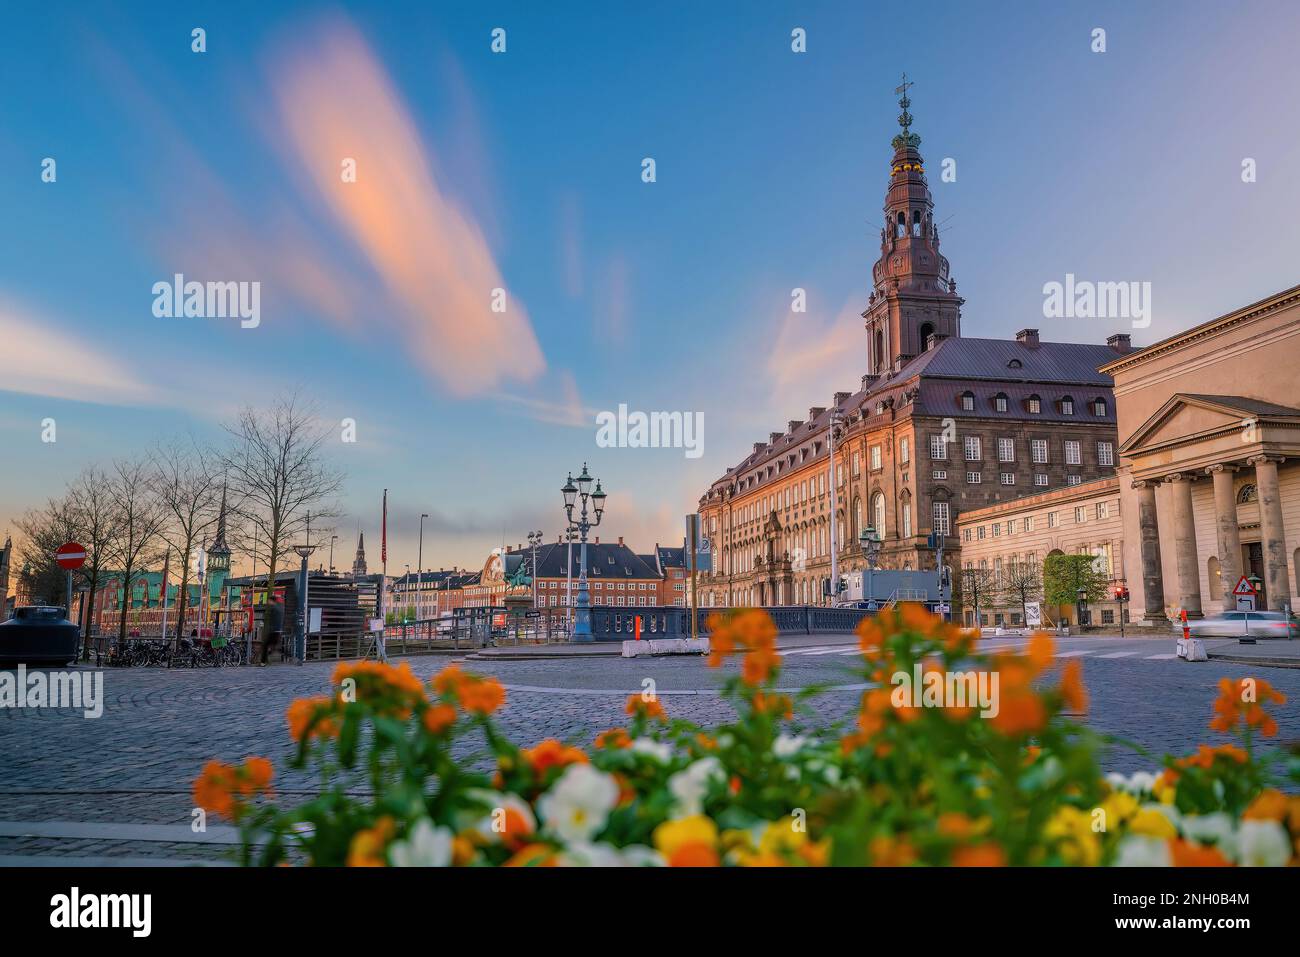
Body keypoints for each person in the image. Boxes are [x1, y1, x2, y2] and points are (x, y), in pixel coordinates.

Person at [260, 597, 284, 666]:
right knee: (272, 645)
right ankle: (269, 654)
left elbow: (271, 620)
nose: (268, 602)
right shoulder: (279, 608)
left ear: (271, 601)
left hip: (274, 631)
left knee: (265, 645)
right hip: (278, 631)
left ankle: (263, 662)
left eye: (268, 601)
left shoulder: (273, 608)